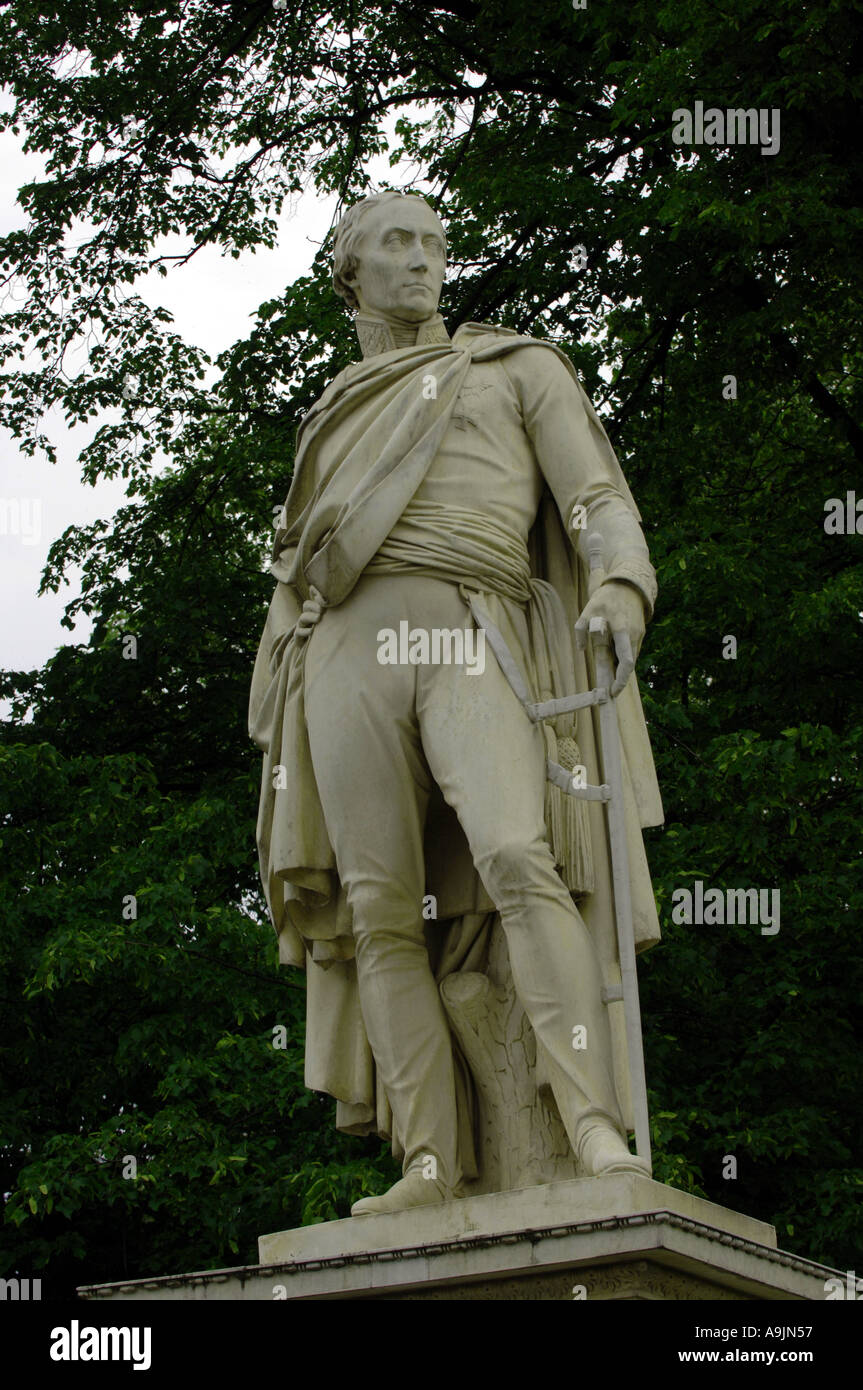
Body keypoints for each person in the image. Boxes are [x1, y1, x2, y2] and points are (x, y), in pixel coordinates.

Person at [249, 191, 663, 1216]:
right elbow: (296, 570)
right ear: (351, 271)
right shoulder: (329, 415)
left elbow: (594, 498)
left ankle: (590, 1122)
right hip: (346, 648)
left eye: (434, 245)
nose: (423, 262)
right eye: (397, 244)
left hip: (467, 623)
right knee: (379, 907)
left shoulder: (514, 366)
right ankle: (429, 1158)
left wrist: (619, 581)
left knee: (519, 856)